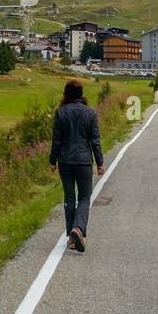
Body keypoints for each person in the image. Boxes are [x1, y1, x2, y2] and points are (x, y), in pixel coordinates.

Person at [49, 78, 104, 253]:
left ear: (66, 93)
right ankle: (78, 229)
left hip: (65, 161)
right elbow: (95, 141)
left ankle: (72, 238)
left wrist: (52, 160)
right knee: (85, 197)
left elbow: (56, 140)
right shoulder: (90, 113)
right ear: (81, 94)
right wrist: (100, 162)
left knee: (69, 198)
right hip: (83, 161)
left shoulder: (60, 112)